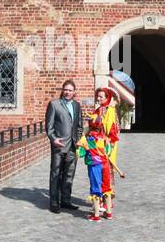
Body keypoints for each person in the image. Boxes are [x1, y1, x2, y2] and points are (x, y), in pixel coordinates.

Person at [44, 79, 82, 213]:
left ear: (74, 92)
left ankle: (66, 200)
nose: (67, 92)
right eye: (65, 89)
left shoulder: (77, 105)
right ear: (62, 90)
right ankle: (54, 202)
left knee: (69, 174)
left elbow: (79, 126)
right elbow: (48, 127)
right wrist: (53, 139)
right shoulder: (54, 105)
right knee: (56, 174)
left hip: (72, 146)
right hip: (59, 146)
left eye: (70, 90)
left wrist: (78, 140)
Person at [88, 85, 126, 215]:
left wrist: (107, 142)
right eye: (97, 96)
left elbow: (115, 131)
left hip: (106, 147)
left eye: (101, 96)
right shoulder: (97, 110)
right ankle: (101, 202)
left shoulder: (111, 111)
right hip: (96, 147)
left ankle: (107, 201)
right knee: (97, 173)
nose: (98, 98)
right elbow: (92, 127)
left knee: (107, 172)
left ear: (107, 97)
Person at [76, 114, 113, 221]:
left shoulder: (87, 139)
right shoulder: (104, 137)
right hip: (105, 164)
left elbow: (80, 154)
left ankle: (96, 215)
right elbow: (108, 152)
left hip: (94, 165)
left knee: (95, 188)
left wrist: (79, 147)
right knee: (106, 187)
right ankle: (109, 212)